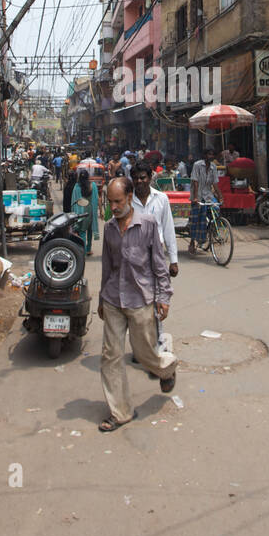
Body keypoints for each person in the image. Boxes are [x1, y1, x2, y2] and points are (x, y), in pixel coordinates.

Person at [97, 177, 176, 432]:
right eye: (110, 202)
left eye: (118, 201)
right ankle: (120, 412)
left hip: (141, 298)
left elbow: (159, 264)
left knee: (144, 354)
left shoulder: (148, 224)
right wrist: (101, 298)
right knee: (111, 356)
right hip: (113, 299)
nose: (114, 207)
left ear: (130, 197)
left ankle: (166, 368)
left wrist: (164, 297)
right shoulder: (109, 228)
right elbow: (107, 266)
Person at [131, 161, 179, 349]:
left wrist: (173, 260)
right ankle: (139, 346)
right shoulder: (128, 200)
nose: (139, 181)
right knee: (136, 304)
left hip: (156, 257)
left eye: (143, 177)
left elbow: (168, 229)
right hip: (133, 258)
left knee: (158, 300)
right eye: (135, 178)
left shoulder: (161, 199)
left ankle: (158, 343)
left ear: (150, 178)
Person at [188, 147, 221, 254]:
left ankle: (212, 231)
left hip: (208, 195)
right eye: (208, 154)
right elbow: (195, 181)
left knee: (216, 209)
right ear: (204, 155)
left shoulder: (213, 167)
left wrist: (220, 196)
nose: (210, 156)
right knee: (196, 218)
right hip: (197, 195)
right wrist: (196, 197)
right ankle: (192, 241)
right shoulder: (197, 165)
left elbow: (215, 183)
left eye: (212, 154)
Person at [71, 168, 99, 254]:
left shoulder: (77, 186)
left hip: (81, 211)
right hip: (91, 211)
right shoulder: (93, 185)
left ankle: (82, 250)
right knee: (90, 231)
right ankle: (88, 249)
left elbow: (74, 201)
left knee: (82, 231)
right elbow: (96, 198)